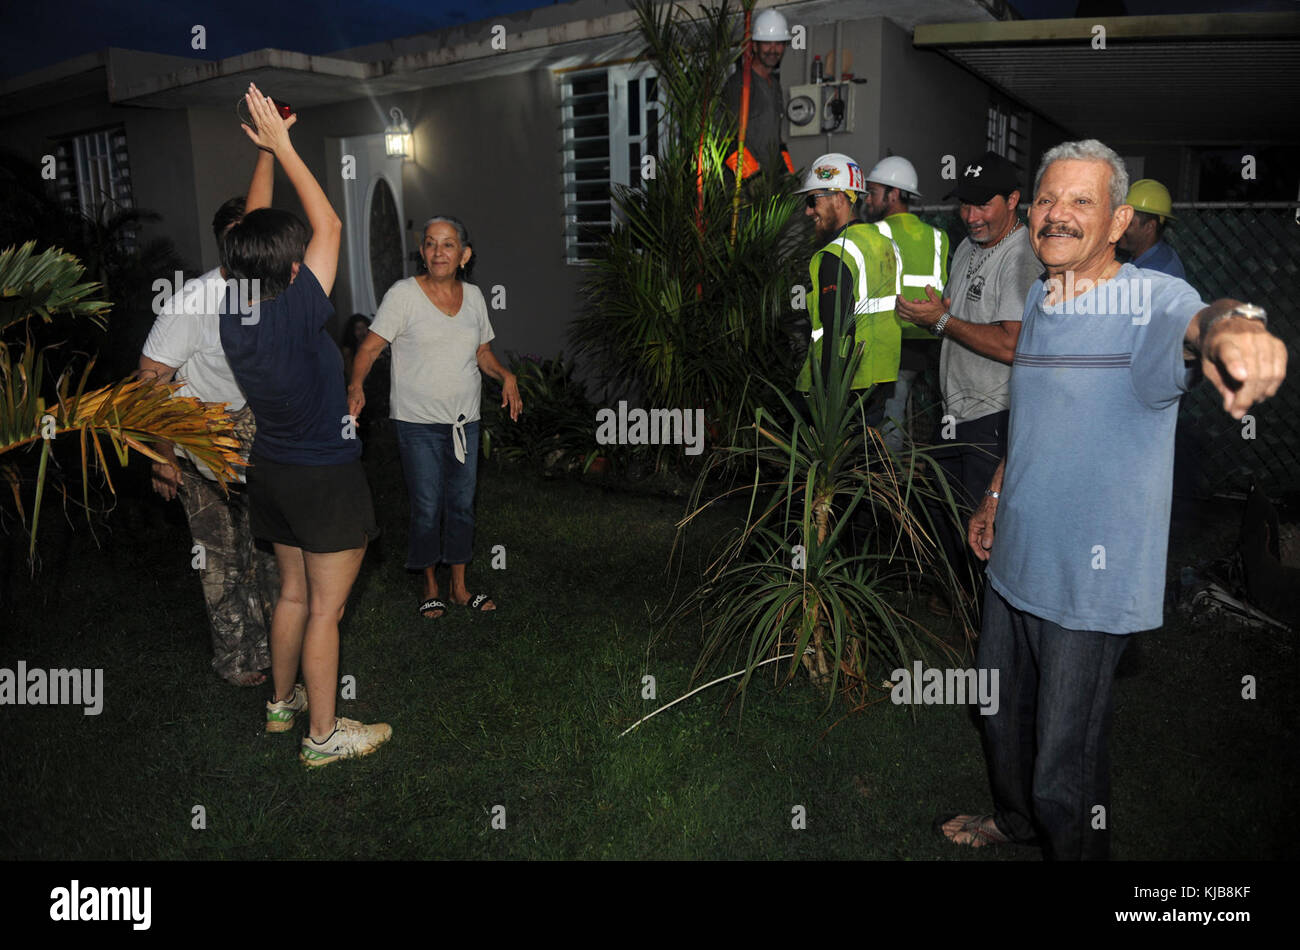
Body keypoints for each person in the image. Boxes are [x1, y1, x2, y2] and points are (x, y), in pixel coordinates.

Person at [945, 139, 1286, 859]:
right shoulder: (1042, 291)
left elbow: (1201, 320)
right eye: (1046, 199)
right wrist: (996, 495)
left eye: (1080, 202)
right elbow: (1032, 415)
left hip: (1085, 585)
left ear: (1117, 221)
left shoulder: (1150, 300)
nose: (1057, 215)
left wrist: (1235, 330)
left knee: (1063, 773)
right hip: (1014, 557)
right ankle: (1012, 823)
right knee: (999, 715)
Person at [220, 83, 390, 767]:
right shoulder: (294, 309)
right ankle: (322, 738)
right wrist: (285, 145)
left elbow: (248, 232)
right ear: (291, 269)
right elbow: (332, 228)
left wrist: (263, 153)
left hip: (273, 474)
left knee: (291, 591)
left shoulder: (236, 310)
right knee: (326, 609)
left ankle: (279, 706)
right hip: (324, 477)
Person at [138, 177, 279, 687]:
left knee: (268, 547)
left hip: (260, 431)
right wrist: (163, 456)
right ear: (225, 242)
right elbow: (151, 378)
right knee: (219, 554)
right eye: (238, 237)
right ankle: (236, 658)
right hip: (201, 432)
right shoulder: (192, 301)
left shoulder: (274, 292)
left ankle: (276, 647)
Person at [347, 216, 521, 620]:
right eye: (430, 244)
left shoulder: (475, 297)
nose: (438, 252)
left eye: (447, 245)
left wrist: (506, 374)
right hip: (418, 422)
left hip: (465, 422)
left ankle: (460, 587)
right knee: (427, 506)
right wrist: (356, 384)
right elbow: (370, 348)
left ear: (464, 255)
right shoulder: (403, 295)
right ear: (422, 252)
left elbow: (482, 353)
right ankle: (429, 587)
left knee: (461, 504)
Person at [895, 151, 1041, 602]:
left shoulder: (1024, 256)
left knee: (987, 527)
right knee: (950, 517)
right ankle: (962, 607)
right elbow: (964, 316)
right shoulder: (966, 246)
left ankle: (993, 623)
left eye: (983, 205)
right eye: (965, 205)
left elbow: (1012, 345)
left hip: (993, 416)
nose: (970, 216)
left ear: (1013, 199)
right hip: (954, 412)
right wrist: (936, 310)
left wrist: (941, 322)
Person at [794, 153, 901, 421]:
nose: (808, 211)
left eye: (812, 200)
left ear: (839, 198)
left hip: (841, 392)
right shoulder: (883, 243)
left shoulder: (836, 254)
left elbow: (837, 331)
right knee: (867, 459)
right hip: (877, 382)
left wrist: (828, 397)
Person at [859, 155, 950, 452]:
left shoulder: (875, 233)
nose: (867, 199)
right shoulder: (938, 237)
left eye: (873, 192)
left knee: (887, 416)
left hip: (888, 341)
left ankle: (886, 487)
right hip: (922, 341)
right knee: (894, 411)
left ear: (893, 194)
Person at [723, 8, 793, 182]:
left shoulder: (775, 87)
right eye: (767, 43)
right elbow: (725, 139)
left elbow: (776, 141)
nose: (773, 49)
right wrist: (752, 178)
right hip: (741, 193)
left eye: (779, 44)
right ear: (754, 46)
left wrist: (788, 175)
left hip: (769, 188)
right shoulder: (740, 84)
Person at [1117, 178, 1186, 279]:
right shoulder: (1154, 256)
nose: (1119, 226)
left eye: (1129, 223)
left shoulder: (1154, 272)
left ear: (1149, 227)